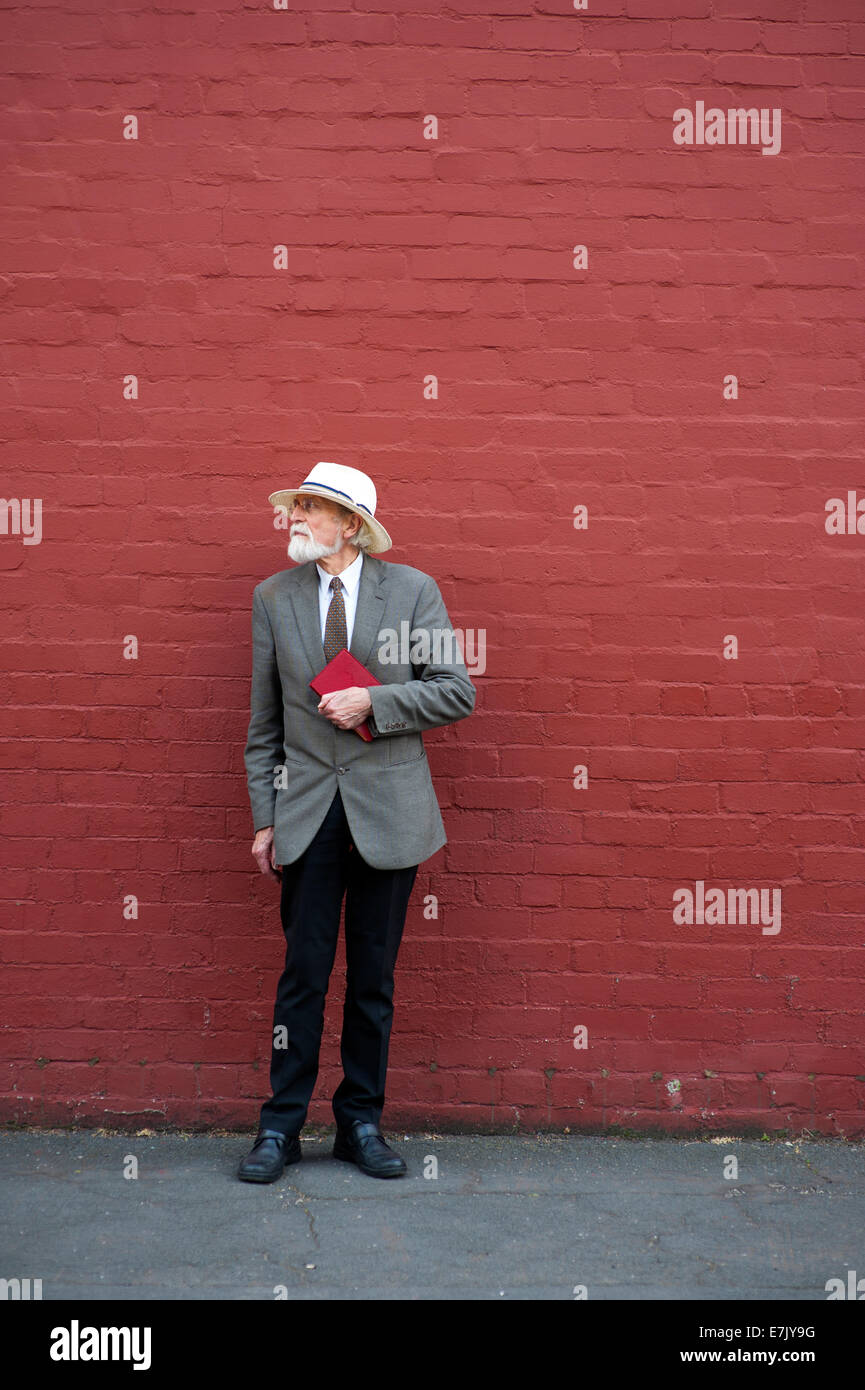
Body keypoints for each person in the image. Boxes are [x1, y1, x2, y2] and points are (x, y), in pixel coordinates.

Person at [238, 461, 476, 1181]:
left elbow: (454, 691)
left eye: (311, 509)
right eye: (296, 506)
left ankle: (359, 1123)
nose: (296, 518)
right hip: (306, 815)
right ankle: (279, 1128)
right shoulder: (272, 597)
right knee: (302, 976)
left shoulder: (411, 591)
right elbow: (263, 724)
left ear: (351, 524)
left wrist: (377, 703)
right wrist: (264, 816)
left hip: (389, 815)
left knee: (372, 980)